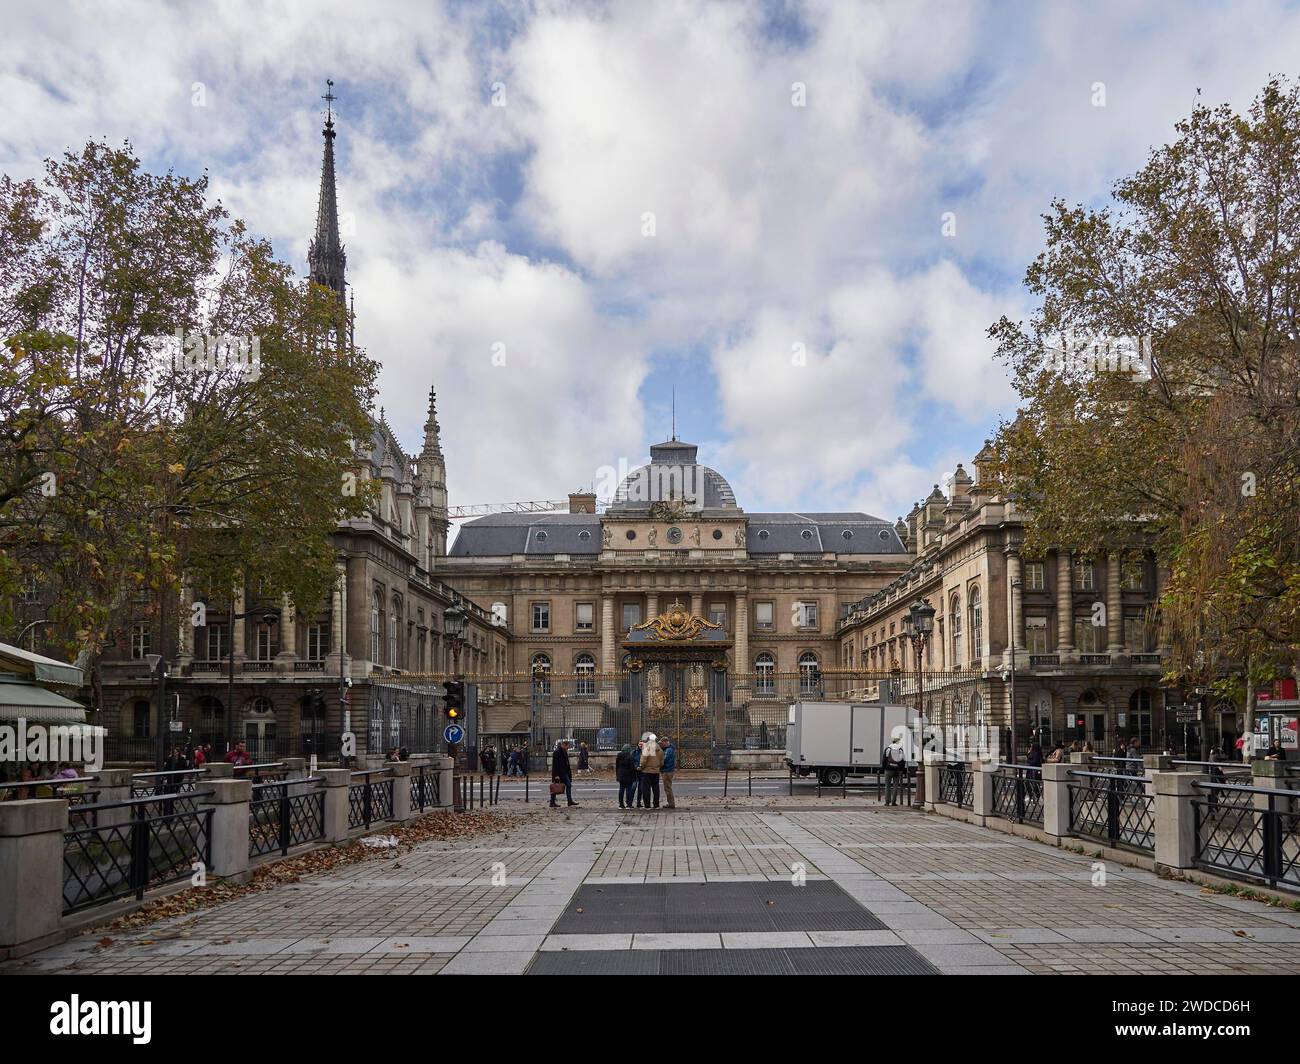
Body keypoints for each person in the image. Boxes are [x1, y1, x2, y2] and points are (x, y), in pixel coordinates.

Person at [550, 739, 577, 808]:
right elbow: (555, 765)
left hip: (564, 772)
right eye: (567, 746)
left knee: (556, 786)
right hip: (560, 773)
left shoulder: (563, 751)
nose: (568, 748)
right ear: (563, 745)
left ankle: (568, 801)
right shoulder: (557, 752)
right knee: (559, 786)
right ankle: (568, 801)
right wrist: (556, 775)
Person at [638, 733, 662, 809]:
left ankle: (647, 805)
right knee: (656, 788)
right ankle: (656, 805)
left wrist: (641, 767)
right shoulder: (660, 749)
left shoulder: (647, 747)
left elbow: (643, 760)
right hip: (656, 771)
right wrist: (658, 767)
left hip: (647, 771)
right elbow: (662, 762)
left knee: (646, 789)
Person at [881, 733, 906, 806]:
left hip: (888, 770)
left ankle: (887, 802)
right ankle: (893, 802)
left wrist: (884, 768)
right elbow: (903, 761)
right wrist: (901, 770)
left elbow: (884, 760)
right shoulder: (900, 750)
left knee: (887, 786)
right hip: (897, 770)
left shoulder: (888, 749)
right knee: (895, 786)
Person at [615, 744, 638, 809]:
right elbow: (632, 768)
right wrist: (634, 775)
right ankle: (629, 804)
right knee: (628, 790)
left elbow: (617, 767)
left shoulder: (618, 756)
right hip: (628, 776)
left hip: (621, 775)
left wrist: (617, 775)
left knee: (621, 790)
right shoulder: (630, 756)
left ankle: (621, 805)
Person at [659, 735, 677, 809]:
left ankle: (671, 804)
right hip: (668, 770)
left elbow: (664, 760)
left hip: (667, 771)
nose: (661, 745)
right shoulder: (668, 749)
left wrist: (658, 765)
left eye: (661, 743)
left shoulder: (668, 750)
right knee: (667, 788)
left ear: (665, 742)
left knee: (667, 788)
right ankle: (670, 803)